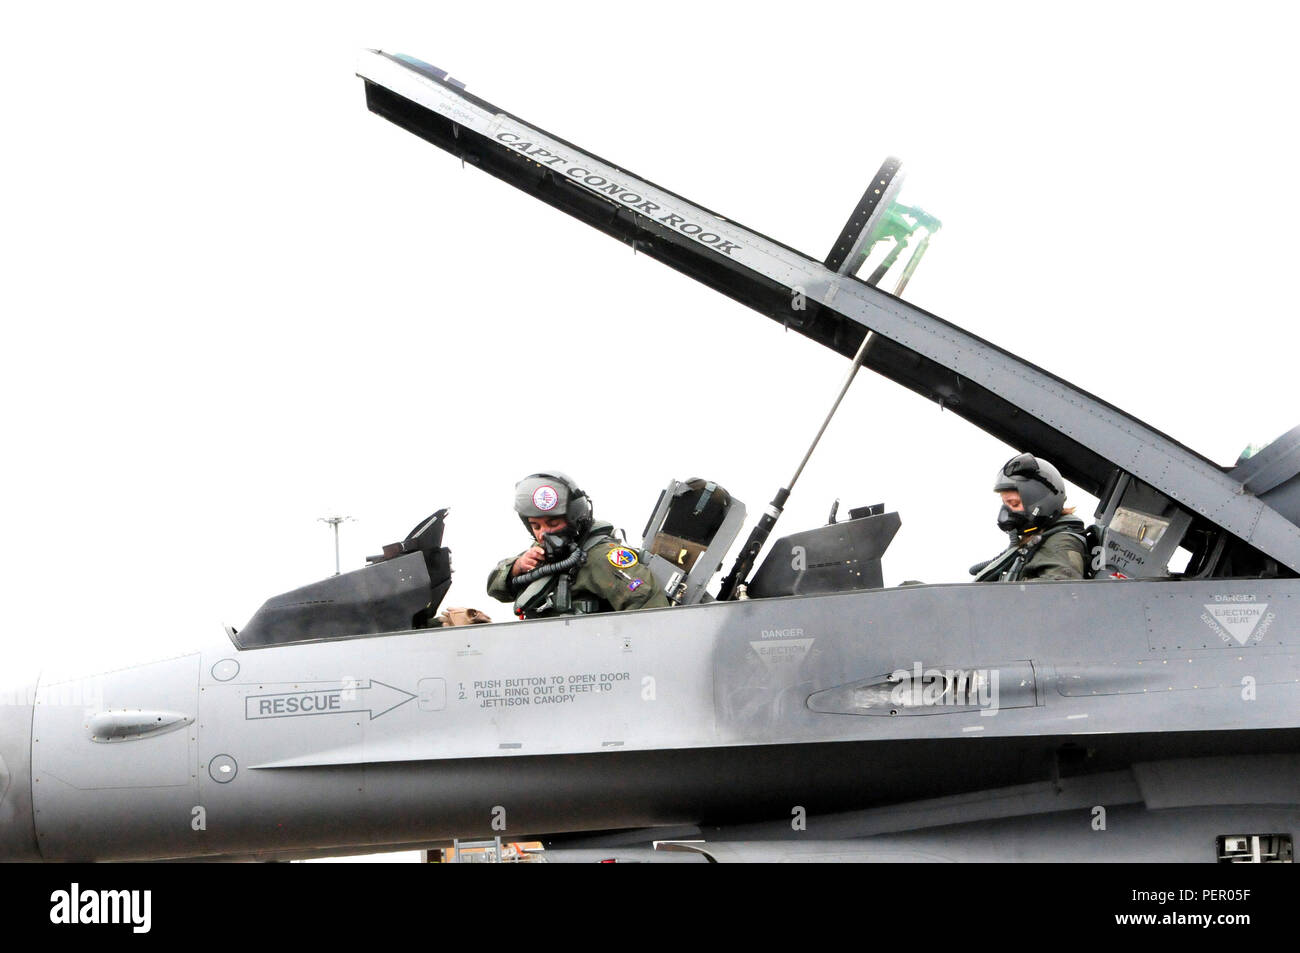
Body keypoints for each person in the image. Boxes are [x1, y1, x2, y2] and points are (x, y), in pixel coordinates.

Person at [486, 472, 670, 618]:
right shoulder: (540, 555)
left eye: (552, 523)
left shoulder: (602, 556)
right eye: (536, 526)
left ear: (575, 518)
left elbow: (650, 608)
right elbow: (496, 590)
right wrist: (516, 567)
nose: (543, 533)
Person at [973, 453, 1087, 581]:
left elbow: (1063, 593)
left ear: (1040, 503)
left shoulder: (1061, 543)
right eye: (1005, 504)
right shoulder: (1033, 542)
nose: (1006, 512)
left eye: (1014, 503)